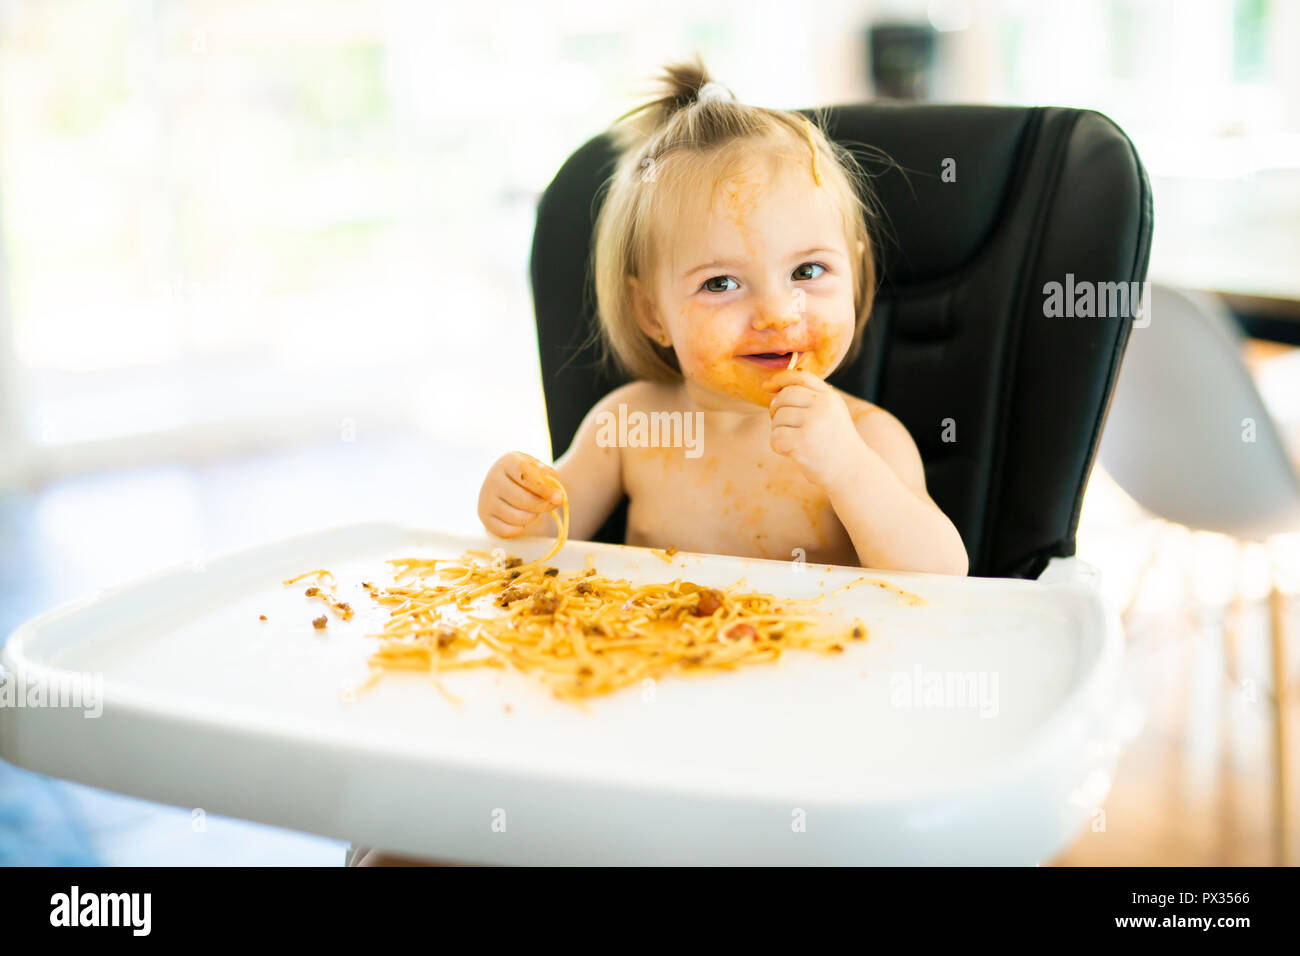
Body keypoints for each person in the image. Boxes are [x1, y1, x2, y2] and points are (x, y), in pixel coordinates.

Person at [352, 52, 967, 868]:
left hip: (812, 747)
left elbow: (944, 580)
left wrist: (845, 467)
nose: (777, 310)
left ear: (854, 270)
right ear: (653, 310)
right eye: (721, 284)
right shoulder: (630, 426)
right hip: (634, 731)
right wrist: (514, 501)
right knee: (403, 839)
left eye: (809, 272)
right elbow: (536, 541)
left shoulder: (870, 438)